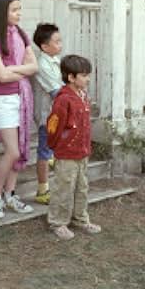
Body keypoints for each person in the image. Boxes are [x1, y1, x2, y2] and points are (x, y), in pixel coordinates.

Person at [0, 0, 38, 219]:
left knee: (21, 148)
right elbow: (2, 78)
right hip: (3, 99)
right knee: (13, 151)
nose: (18, 14)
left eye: (19, 9)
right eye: (14, 10)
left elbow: (34, 67)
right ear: (0, 12)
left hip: (22, 96)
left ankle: (10, 194)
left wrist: (9, 70)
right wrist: (11, 72)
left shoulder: (21, 34)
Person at [45, 55, 101, 240]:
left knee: (81, 187)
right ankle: (58, 222)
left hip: (82, 151)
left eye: (88, 75)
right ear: (71, 77)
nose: (88, 79)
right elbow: (54, 126)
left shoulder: (83, 96)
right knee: (64, 188)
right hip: (66, 153)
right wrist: (55, 146)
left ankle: (80, 218)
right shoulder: (63, 100)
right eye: (84, 75)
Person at [31, 23, 64, 205]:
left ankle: (52, 157)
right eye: (57, 41)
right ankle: (42, 190)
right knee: (43, 152)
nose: (60, 44)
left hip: (55, 115)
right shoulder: (42, 65)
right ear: (44, 47)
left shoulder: (55, 60)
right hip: (47, 117)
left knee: (51, 148)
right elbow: (57, 92)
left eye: (60, 40)